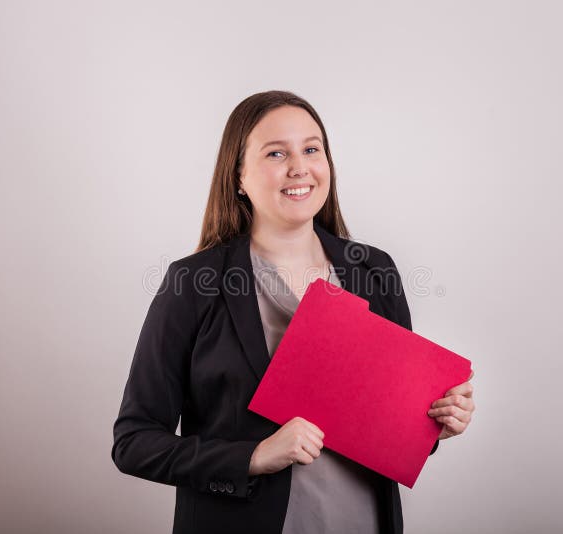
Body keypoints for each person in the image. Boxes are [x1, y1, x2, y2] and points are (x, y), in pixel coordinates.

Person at [111, 90, 475, 534]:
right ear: (238, 176)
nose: (299, 167)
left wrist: (434, 424)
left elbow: (386, 425)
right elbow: (134, 442)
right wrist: (254, 456)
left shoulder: (374, 271)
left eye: (311, 149)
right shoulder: (193, 284)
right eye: (276, 153)